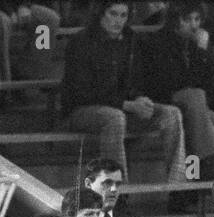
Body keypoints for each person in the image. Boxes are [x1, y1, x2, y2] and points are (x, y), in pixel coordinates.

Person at [60, 2, 187, 192]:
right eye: (113, 14)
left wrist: (141, 100)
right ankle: (117, 191)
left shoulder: (131, 40)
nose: (118, 20)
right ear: (101, 14)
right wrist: (127, 104)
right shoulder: (81, 42)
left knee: (172, 114)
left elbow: (138, 80)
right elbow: (81, 92)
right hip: (81, 111)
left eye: (123, 15)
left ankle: (178, 188)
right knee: (114, 118)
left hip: (123, 107)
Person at [140, 1, 214, 181]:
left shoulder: (195, 43)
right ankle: (202, 172)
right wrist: (199, 52)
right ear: (175, 20)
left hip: (194, 108)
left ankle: (211, 177)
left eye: (197, 19)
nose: (194, 25)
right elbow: (177, 82)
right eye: (188, 19)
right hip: (165, 101)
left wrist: (204, 51)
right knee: (194, 97)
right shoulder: (157, 42)